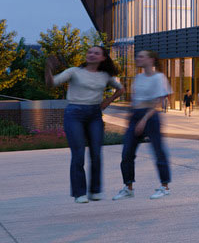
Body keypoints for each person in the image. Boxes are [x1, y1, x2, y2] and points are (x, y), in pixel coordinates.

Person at [50, 44, 122, 204]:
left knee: (96, 154)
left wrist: (107, 102)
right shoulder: (74, 71)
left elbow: (120, 89)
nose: (91, 54)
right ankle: (79, 193)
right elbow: (52, 83)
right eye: (89, 52)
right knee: (78, 155)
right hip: (74, 114)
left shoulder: (105, 75)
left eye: (96, 53)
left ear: (103, 58)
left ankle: (95, 190)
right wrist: (48, 70)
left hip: (95, 115)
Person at [113, 47, 173, 200]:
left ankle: (164, 186)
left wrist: (144, 120)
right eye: (137, 56)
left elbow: (159, 102)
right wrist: (131, 117)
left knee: (158, 152)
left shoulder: (159, 78)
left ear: (150, 60)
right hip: (135, 116)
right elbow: (134, 100)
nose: (138, 59)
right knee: (127, 152)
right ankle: (128, 187)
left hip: (150, 117)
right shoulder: (138, 78)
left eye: (141, 56)